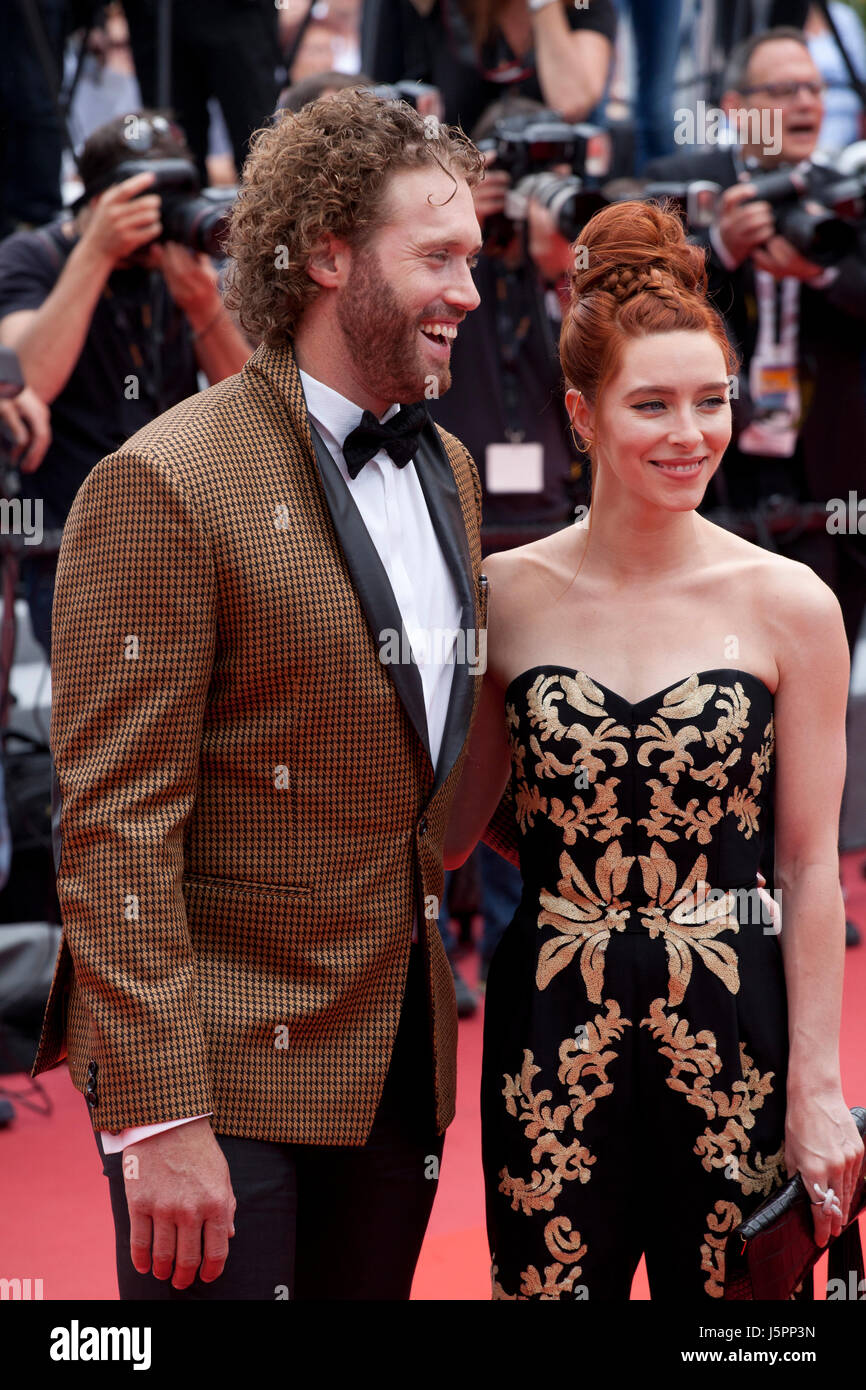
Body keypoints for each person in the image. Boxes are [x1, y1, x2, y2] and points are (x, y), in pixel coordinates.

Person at [30, 89, 486, 1300]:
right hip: (222, 1075)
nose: (469, 294)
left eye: (476, 259)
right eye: (436, 255)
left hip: (396, 1064)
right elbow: (114, 827)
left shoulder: (446, 466)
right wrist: (158, 1117)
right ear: (330, 251)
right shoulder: (162, 482)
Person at [445, 198, 864, 1299]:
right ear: (579, 417)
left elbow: (808, 865)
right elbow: (450, 833)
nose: (689, 433)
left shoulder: (789, 603)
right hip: (548, 1031)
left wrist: (818, 1089)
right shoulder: (505, 593)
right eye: (651, 404)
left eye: (708, 400)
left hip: (735, 1033)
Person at [644, 26, 866, 945]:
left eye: (816, 89)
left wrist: (819, 267)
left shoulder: (851, 197)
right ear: (736, 110)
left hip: (835, 488)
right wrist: (720, 256)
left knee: (819, 686)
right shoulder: (688, 187)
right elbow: (641, 305)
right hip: (719, 478)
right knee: (712, 682)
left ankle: (805, 878)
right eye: (784, 90)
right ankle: (713, 875)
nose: (808, 104)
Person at [0, 110, 250, 663]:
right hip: (74, 547)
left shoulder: (189, 266)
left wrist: (201, 300)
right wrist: (97, 252)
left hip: (190, 539)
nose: (159, 214)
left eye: (174, 194)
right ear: (96, 200)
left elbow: (256, 404)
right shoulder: (33, 258)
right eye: (142, 196)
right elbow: (26, 385)